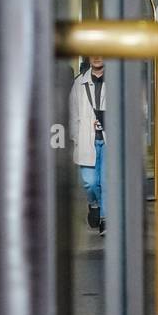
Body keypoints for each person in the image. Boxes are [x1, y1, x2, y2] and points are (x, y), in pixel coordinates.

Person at [69, 55, 107, 235]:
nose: (98, 57)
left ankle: (106, 219)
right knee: (90, 182)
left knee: (106, 182)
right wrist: (77, 138)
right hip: (87, 140)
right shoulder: (79, 83)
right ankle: (94, 204)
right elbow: (72, 113)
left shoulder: (114, 81)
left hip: (108, 141)